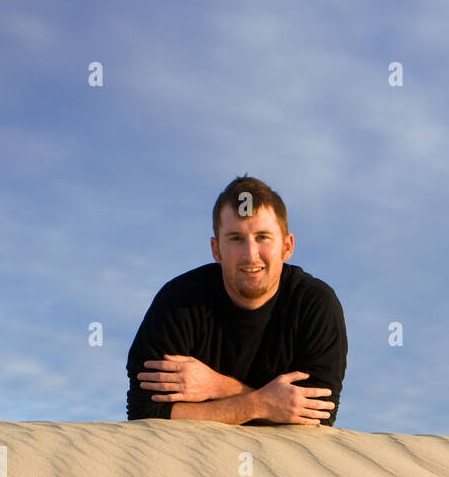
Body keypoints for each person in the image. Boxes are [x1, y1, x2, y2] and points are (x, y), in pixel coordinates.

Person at [126, 176, 347, 427]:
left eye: (263, 237)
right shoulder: (178, 302)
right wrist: (261, 404)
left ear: (287, 246)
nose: (250, 254)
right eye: (235, 238)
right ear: (216, 249)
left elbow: (314, 418)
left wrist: (218, 386)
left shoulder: (314, 306)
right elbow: (144, 413)